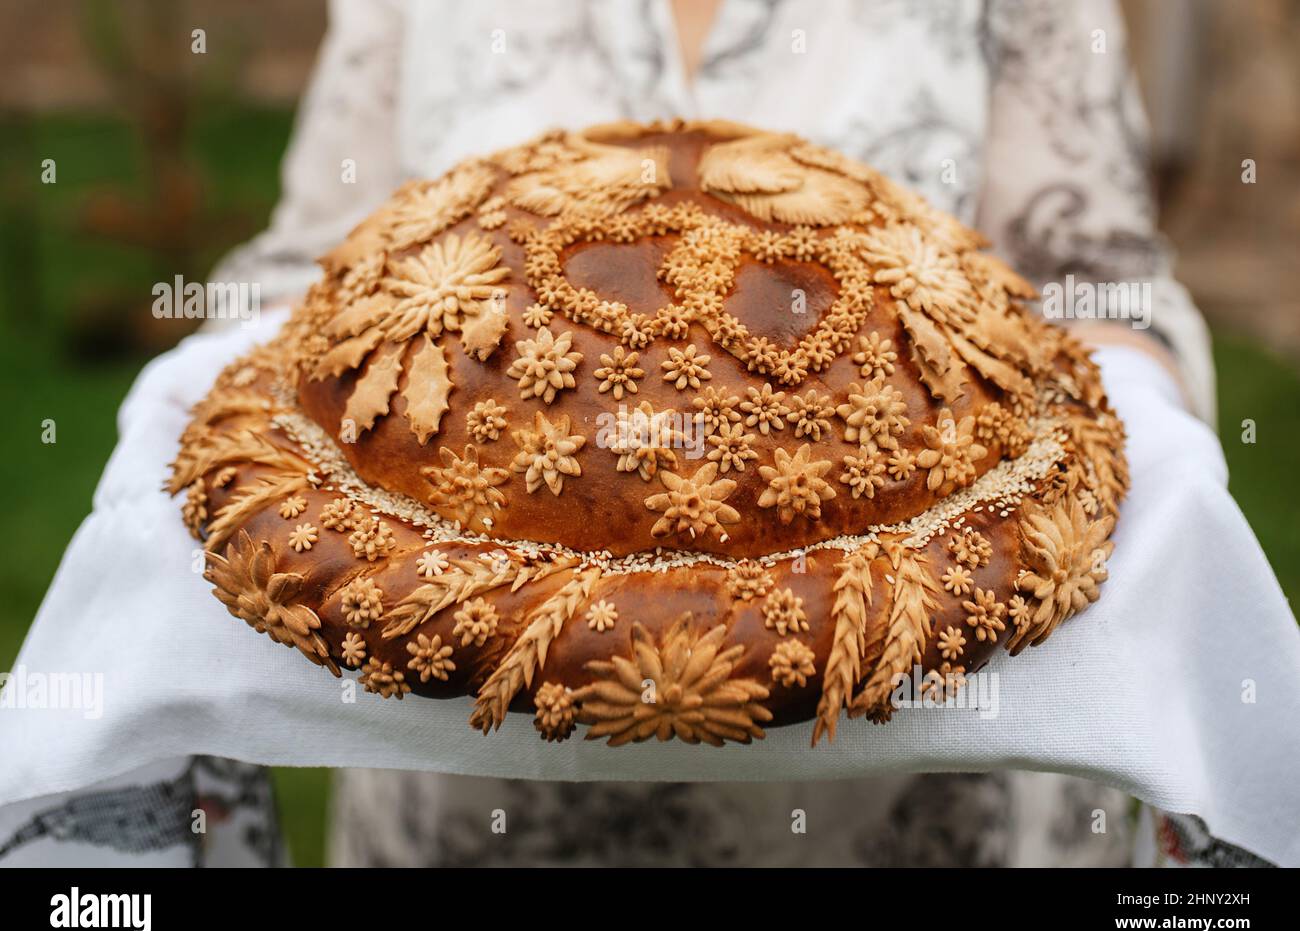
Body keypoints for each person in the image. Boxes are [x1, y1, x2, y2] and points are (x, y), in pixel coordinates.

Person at [211, 0, 1219, 866]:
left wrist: (1133, 418)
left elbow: (1103, 275)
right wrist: (216, 391)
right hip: (468, 798)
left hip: (925, 802)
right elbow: (314, 266)